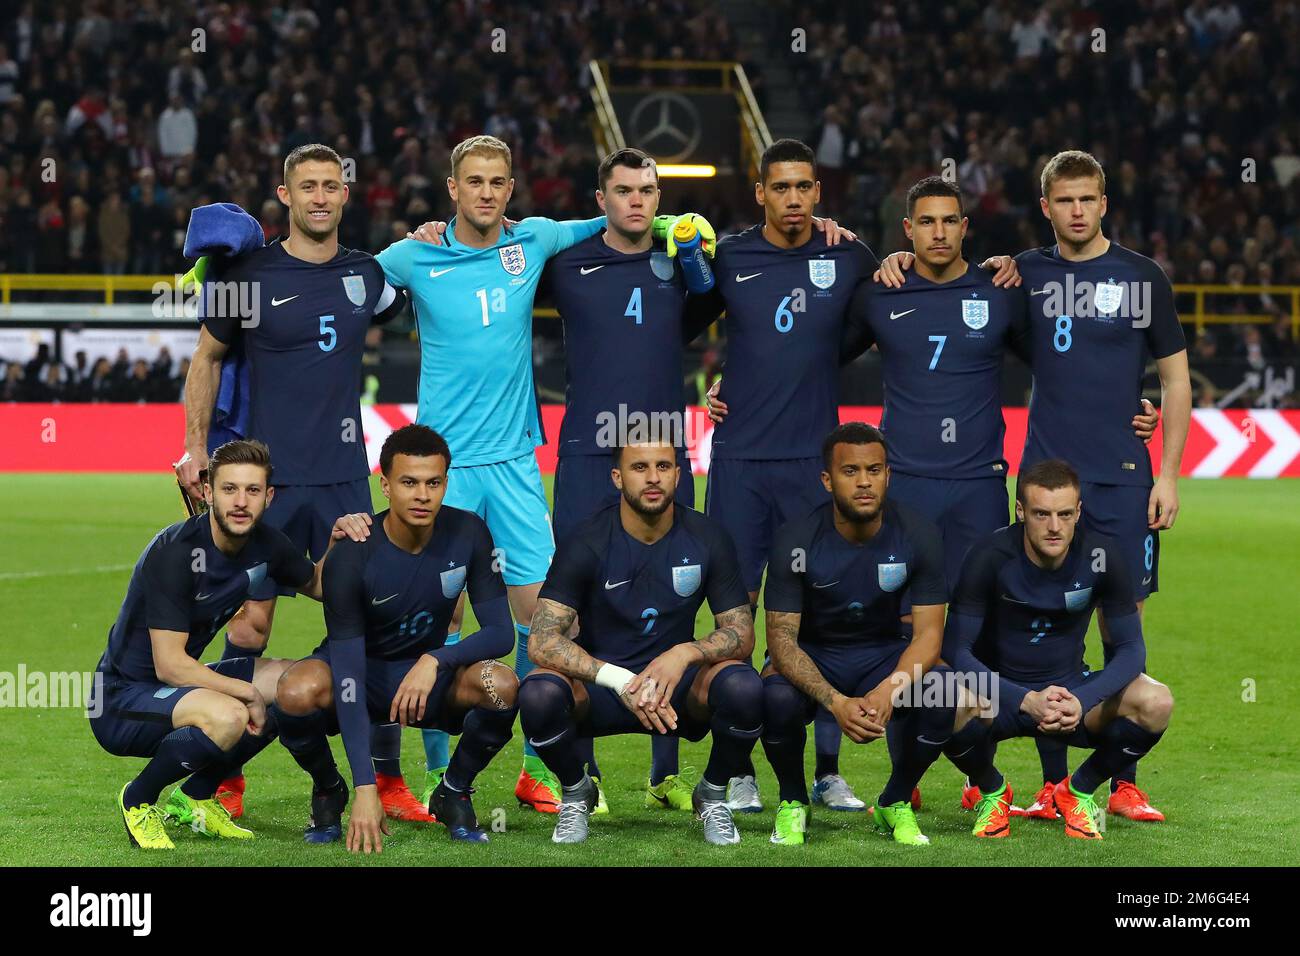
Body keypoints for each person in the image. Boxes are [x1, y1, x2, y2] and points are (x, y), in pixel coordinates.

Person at [878, 149, 1189, 820]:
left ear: (1104, 204)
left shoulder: (1143, 277)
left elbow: (1175, 378)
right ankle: (1037, 778)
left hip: (1125, 481)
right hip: (1046, 479)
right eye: (1064, 201)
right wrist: (895, 261)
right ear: (1046, 208)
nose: (1077, 211)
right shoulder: (1022, 277)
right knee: (1027, 619)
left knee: (1121, 625)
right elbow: (974, 326)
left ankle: (1119, 780)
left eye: (1088, 200)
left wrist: (1167, 472)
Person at [176, 144, 420, 821]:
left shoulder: (369, 276)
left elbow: (427, 282)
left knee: (373, 623)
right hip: (269, 489)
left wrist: (433, 236)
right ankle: (223, 774)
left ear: (346, 195)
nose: (319, 196)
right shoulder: (243, 275)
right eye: (306, 186)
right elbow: (207, 356)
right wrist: (195, 449)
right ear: (284, 195)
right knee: (249, 628)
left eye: (330, 186)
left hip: (345, 483)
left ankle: (388, 779)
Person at [373, 134, 608, 812]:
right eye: (473, 180)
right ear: (452, 188)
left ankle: (537, 768)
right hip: (438, 472)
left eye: (498, 181)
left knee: (544, 622)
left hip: (511, 467)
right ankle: (405, 776)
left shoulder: (531, 241)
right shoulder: (413, 255)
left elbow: (611, 218)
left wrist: (670, 224)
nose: (485, 191)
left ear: (511, 188)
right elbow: (340, 275)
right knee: (430, 621)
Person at [87, 439, 370, 849]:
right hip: (120, 699)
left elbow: (320, 584)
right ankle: (138, 799)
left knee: (291, 686)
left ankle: (197, 795)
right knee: (231, 714)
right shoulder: (175, 553)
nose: (241, 501)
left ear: (268, 497)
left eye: (252, 490)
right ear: (207, 492)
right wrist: (246, 693)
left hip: (178, 690)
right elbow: (169, 667)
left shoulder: (267, 545)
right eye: (229, 489)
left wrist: (337, 542)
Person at [273, 425, 518, 848]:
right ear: (384, 485)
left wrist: (436, 659)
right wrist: (367, 787)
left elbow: (500, 633)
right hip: (359, 676)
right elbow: (348, 674)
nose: (422, 495)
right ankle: (330, 788)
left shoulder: (470, 532)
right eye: (409, 482)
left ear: (446, 482)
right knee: (294, 691)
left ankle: (454, 791)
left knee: (502, 686)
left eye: (433, 482)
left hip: (425, 679)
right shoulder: (353, 551)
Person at [517, 441, 761, 845]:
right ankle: (577, 792)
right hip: (603, 688)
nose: (652, 478)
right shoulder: (587, 540)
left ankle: (713, 794)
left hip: (675, 690)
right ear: (617, 477)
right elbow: (542, 641)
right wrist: (617, 679)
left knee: (745, 687)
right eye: (639, 467)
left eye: (664, 466)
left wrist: (684, 653)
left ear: (679, 476)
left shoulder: (708, 537)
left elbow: (742, 634)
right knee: (538, 693)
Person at [937, 459, 1174, 840]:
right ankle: (992, 790)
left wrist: (1082, 699)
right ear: (1020, 512)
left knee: (1157, 701)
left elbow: (1131, 649)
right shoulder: (988, 555)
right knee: (936, 700)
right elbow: (956, 650)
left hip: (1070, 693)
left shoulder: (1102, 555)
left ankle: (1077, 791)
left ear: (1079, 511)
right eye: (1041, 514)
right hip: (999, 696)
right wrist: (1024, 699)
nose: (1054, 526)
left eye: (1065, 514)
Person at [760, 423, 951, 846]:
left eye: (874, 470)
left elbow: (928, 637)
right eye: (850, 472)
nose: (864, 482)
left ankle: (895, 800)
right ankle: (793, 802)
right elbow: (781, 640)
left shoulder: (919, 534)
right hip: (815, 652)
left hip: (882, 655)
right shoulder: (795, 539)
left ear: (888, 475)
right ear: (828, 479)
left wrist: (887, 691)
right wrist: (835, 702)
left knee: (945, 691)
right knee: (773, 696)